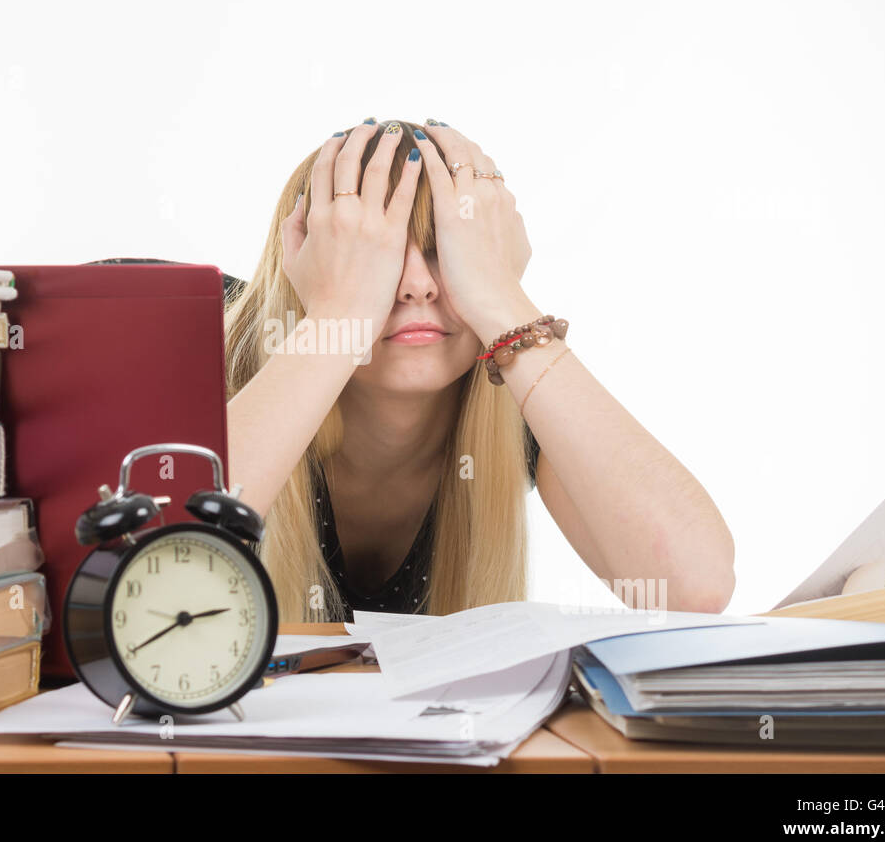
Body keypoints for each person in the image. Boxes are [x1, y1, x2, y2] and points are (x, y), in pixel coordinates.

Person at [224, 118, 735, 623]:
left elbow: (694, 587)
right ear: (305, 262)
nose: (418, 285)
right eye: (374, 253)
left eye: (446, 250)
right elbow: (153, 550)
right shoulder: (211, 338)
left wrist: (501, 301)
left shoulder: (522, 394)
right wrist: (337, 316)